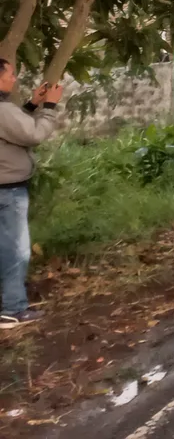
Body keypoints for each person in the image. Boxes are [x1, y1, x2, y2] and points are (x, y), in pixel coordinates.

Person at [0, 60, 62, 327]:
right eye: (11, 74)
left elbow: (10, 130)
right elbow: (33, 134)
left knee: (5, 248)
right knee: (17, 250)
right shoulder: (2, 110)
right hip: (8, 191)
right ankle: (12, 309)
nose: (14, 79)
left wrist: (31, 105)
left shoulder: (5, 111)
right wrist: (49, 106)